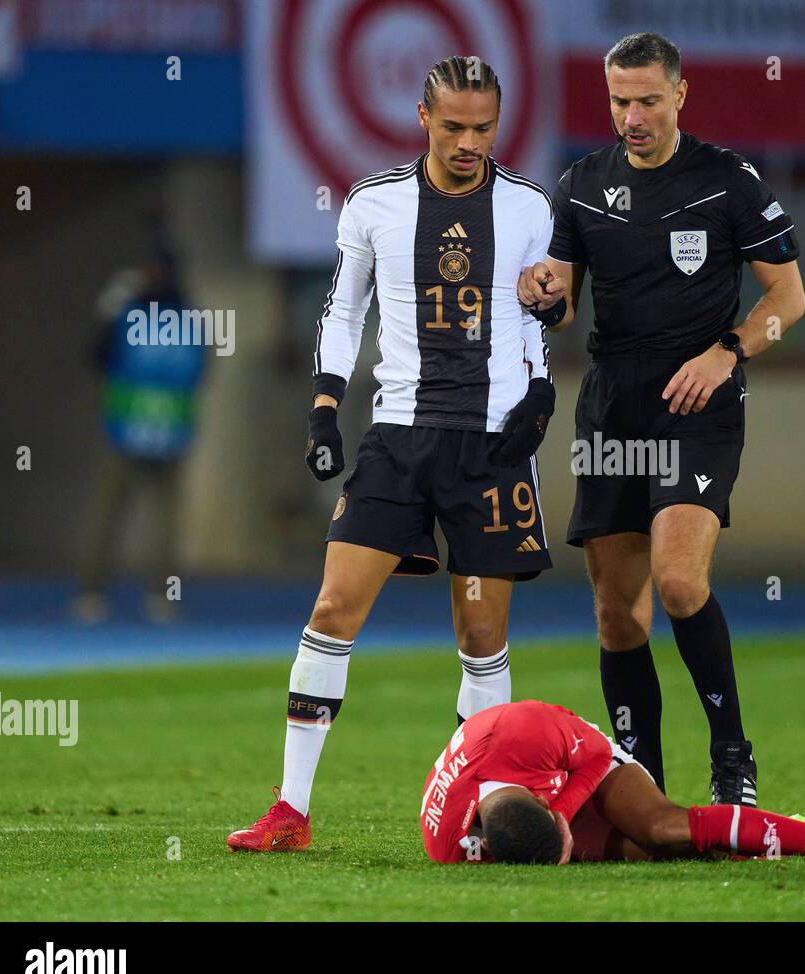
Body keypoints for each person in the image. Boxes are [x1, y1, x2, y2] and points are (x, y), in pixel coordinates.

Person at [228, 57, 556, 852]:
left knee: (482, 636)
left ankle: (478, 814)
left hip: (490, 446)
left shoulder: (528, 208)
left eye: (484, 126)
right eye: (454, 126)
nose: (470, 140)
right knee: (333, 609)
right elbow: (344, 312)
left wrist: (541, 391)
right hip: (399, 438)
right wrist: (323, 410)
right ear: (422, 116)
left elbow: (541, 311)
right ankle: (291, 812)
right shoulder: (374, 202)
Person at [516, 32, 805, 805]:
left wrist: (727, 353)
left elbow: (789, 301)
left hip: (698, 403)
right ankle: (638, 775)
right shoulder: (580, 184)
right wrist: (542, 292)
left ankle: (733, 757)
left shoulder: (725, 180)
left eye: (648, 99)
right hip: (613, 405)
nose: (634, 115)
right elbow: (563, 300)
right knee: (618, 615)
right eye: (620, 101)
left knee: (679, 582)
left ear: (681, 95)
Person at [420, 699, 805, 864]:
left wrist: (563, 815)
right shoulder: (447, 842)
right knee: (661, 853)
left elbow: (590, 758)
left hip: (581, 764)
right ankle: (770, 834)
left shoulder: (526, 729)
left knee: (662, 827)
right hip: (541, 796)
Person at [74, 236, 207, 624]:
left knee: (109, 513)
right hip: (169, 431)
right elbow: (201, 372)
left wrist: (108, 312)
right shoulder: (189, 319)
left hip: (126, 429)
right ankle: (160, 597)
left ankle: (92, 593)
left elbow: (95, 357)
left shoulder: (128, 312)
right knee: (160, 521)